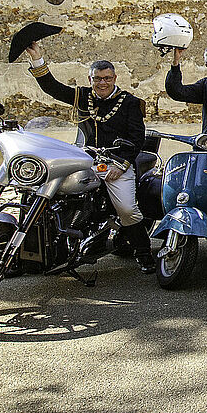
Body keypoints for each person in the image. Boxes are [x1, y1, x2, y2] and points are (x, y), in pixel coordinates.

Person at [23, 41, 154, 273]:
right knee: (54, 192)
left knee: (126, 209)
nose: (102, 83)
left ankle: (144, 255)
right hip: (85, 159)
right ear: (90, 79)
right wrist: (37, 59)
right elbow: (52, 87)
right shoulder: (82, 96)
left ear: (114, 78)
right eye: (97, 79)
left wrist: (121, 166)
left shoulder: (131, 103)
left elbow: (137, 139)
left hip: (116, 163)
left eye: (107, 78)